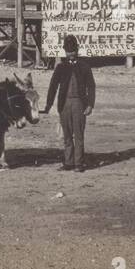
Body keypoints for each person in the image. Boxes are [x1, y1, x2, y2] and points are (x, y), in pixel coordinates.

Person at [41, 34, 96, 172]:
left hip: (79, 103)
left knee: (78, 134)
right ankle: (68, 162)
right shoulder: (60, 67)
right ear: (65, 51)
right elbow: (53, 86)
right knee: (66, 135)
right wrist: (48, 105)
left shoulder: (85, 66)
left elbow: (91, 86)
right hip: (64, 104)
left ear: (77, 50)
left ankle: (78, 163)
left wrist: (90, 105)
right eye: (68, 51)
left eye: (73, 51)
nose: (70, 53)